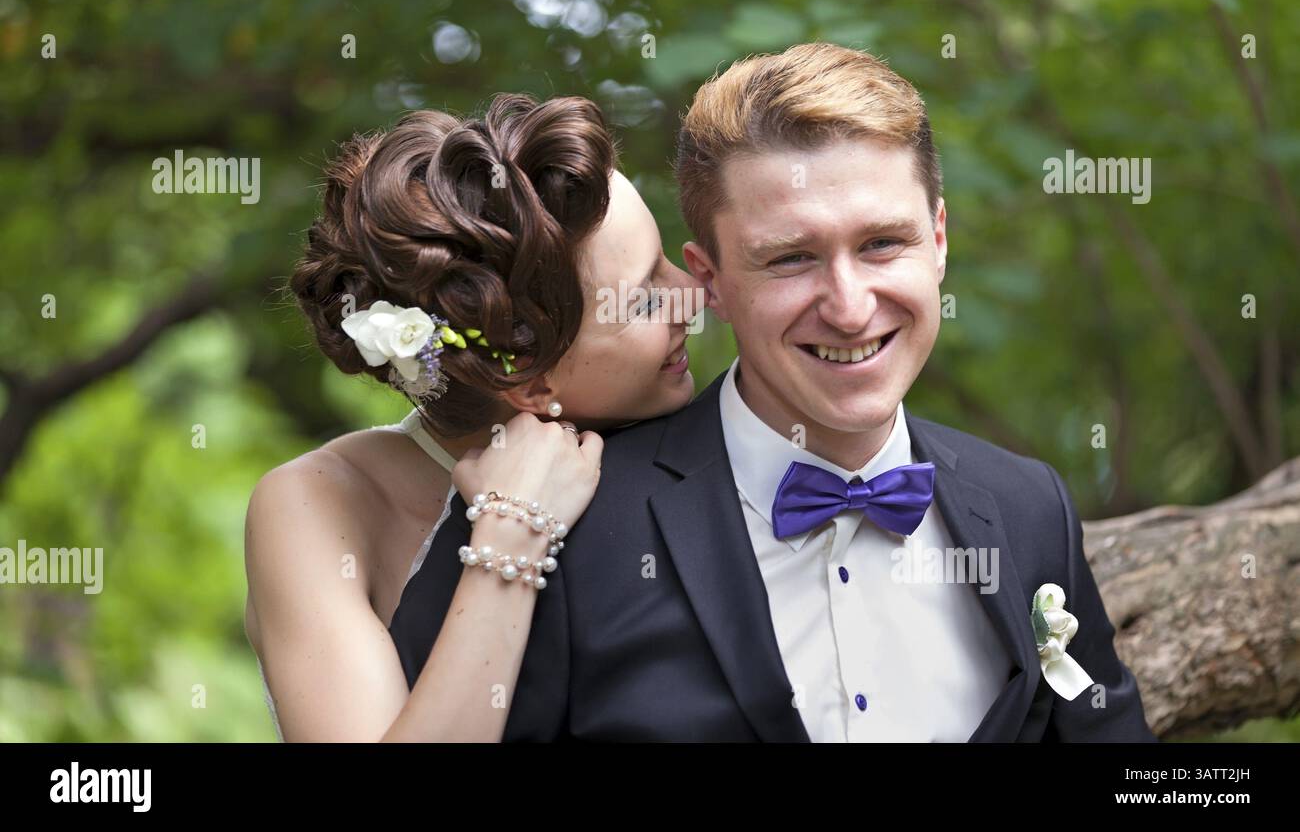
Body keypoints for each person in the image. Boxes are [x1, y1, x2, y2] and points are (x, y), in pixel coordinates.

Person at [389, 43, 1158, 741]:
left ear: (941, 241)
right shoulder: (545, 525)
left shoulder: (1029, 508)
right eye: (791, 259)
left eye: (883, 243)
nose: (850, 306)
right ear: (710, 281)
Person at [244, 93, 699, 741]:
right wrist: (510, 537)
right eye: (647, 297)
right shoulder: (316, 506)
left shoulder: (686, 460)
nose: (694, 296)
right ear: (527, 374)